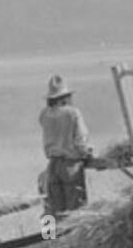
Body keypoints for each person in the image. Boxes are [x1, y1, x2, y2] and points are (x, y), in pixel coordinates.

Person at [38, 74, 95, 215]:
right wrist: (87, 153)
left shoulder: (44, 114)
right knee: (75, 211)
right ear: (66, 97)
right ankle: (72, 237)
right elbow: (81, 140)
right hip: (71, 166)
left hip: (52, 165)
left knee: (52, 209)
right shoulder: (73, 113)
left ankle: (49, 236)